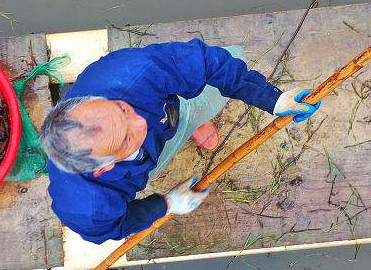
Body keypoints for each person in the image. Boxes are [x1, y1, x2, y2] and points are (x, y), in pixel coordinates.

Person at [38, 39, 321, 244]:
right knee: (155, 155)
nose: (140, 122)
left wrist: (272, 99)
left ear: (93, 101)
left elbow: (208, 63)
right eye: (125, 137)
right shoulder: (87, 207)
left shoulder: (135, 72)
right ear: (102, 169)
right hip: (136, 162)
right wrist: (166, 204)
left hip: (169, 108)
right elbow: (112, 226)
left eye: (121, 109)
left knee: (232, 58)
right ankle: (167, 144)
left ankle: (193, 119)